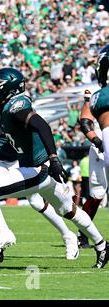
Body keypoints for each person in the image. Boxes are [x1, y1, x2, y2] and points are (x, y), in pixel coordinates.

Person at [0, 67, 108, 268]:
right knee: (69, 209)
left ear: (8, 89)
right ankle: (102, 246)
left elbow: (42, 126)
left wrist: (54, 158)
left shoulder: (17, 105)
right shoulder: (2, 104)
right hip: (35, 167)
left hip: (39, 168)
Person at [75, 44, 109, 247]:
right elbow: (85, 119)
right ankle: (83, 233)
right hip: (99, 146)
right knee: (96, 195)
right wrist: (97, 140)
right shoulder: (95, 93)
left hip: (101, 143)